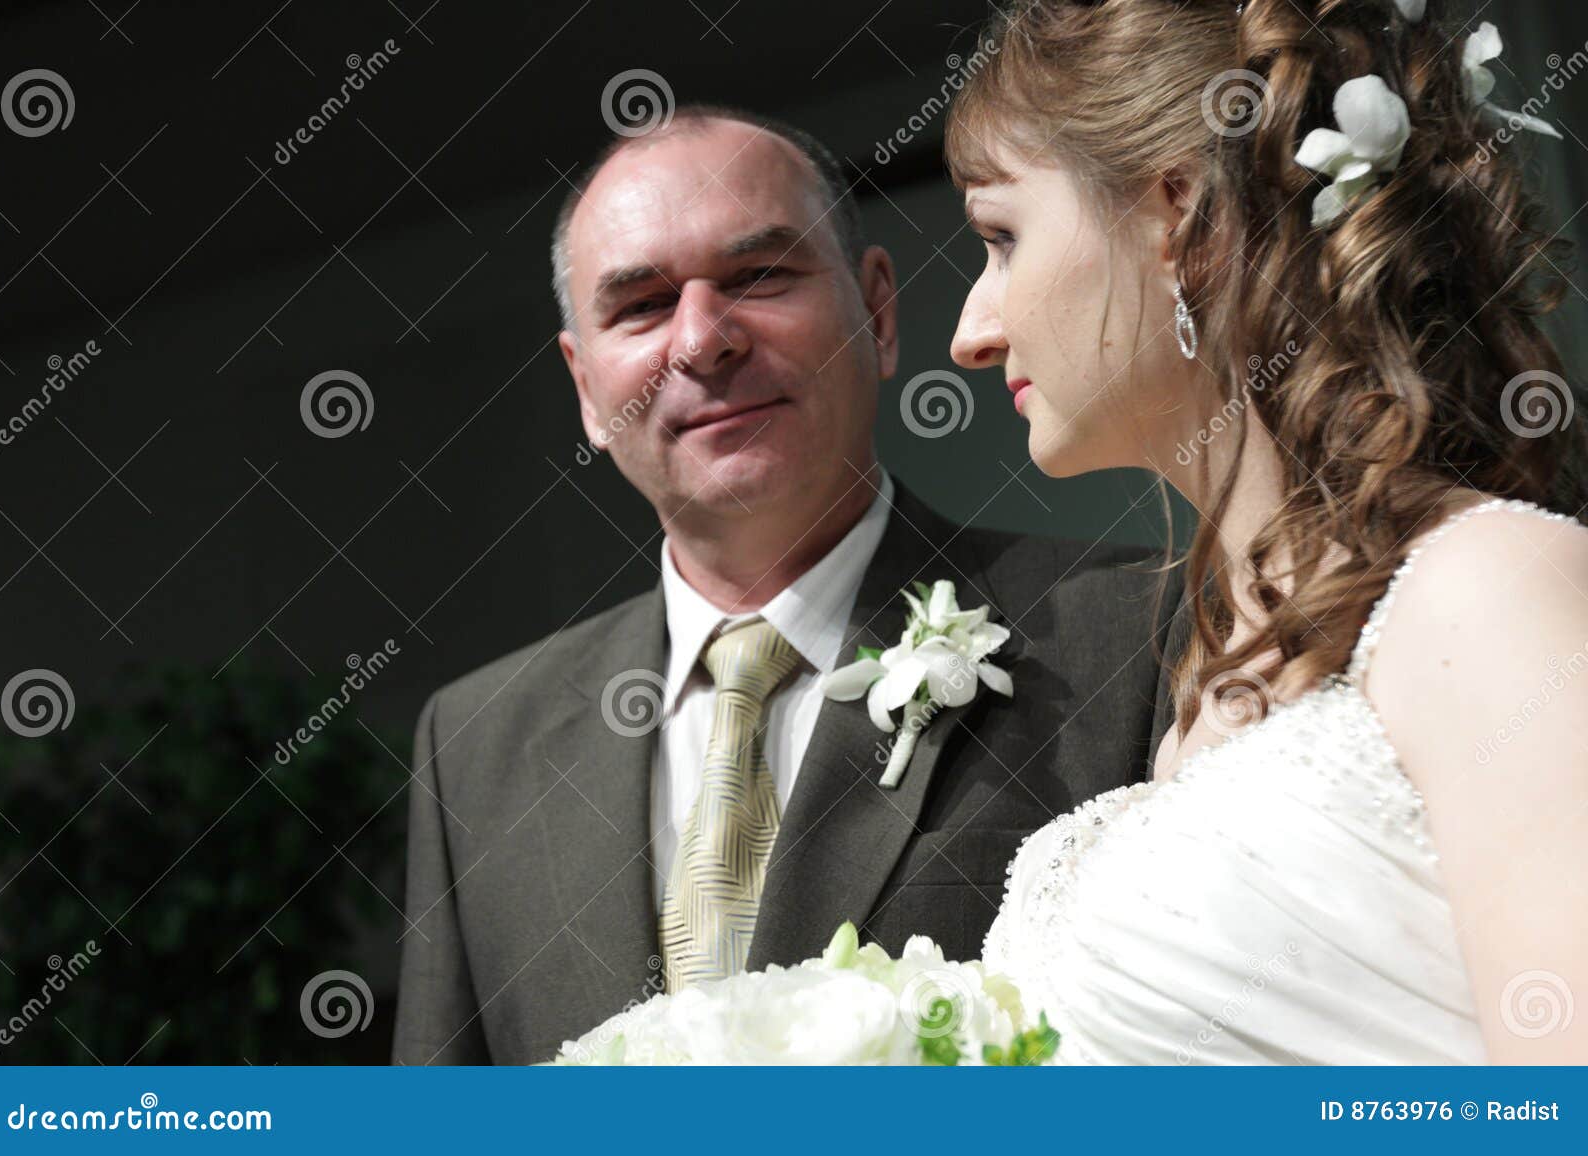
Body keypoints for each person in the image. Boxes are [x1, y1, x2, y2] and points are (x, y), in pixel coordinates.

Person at [390, 104, 1182, 1064]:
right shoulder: (476, 744)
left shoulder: (1133, 628)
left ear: (878, 313)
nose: (701, 341)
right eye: (639, 304)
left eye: (758, 276)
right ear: (587, 389)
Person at [945, 0, 1588, 1062]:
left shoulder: (1484, 589)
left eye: (1001, 238)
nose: (970, 331)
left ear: (1180, 219)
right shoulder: (1203, 684)